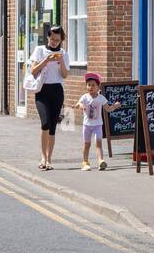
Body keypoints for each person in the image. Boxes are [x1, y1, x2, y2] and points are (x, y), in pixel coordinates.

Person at [27, 25, 70, 170]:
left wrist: (61, 61)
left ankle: (49, 159)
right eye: (52, 39)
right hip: (42, 90)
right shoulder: (40, 50)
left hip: (57, 90)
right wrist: (46, 60)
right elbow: (33, 71)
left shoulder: (63, 53)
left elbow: (64, 75)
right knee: (44, 123)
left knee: (52, 127)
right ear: (48, 37)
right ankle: (42, 157)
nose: (54, 42)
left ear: (61, 40)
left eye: (57, 40)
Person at [75, 72, 115, 171]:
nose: (90, 87)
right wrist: (81, 106)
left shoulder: (101, 98)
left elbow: (108, 109)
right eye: (89, 85)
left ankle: (101, 161)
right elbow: (78, 104)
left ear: (98, 87)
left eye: (93, 85)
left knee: (99, 143)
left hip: (98, 125)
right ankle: (85, 162)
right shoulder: (85, 97)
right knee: (87, 144)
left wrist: (115, 106)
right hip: (87, 126)